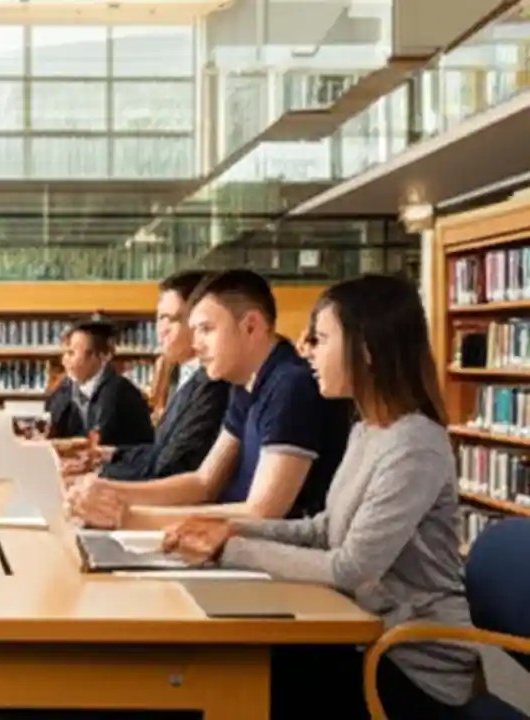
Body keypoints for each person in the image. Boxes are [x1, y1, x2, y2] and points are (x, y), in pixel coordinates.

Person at [163, 275, 477, 719]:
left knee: (241, 680)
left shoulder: (415, 445)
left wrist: (229, 549)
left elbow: (350, 568)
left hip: (410, 665)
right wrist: (229, 528)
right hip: (367, 635)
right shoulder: (367, 430)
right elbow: (324, 529)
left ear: (366, 350)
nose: (306, 350)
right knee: (225, 670)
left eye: (320, 339)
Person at [67, 269, 351, 530]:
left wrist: (126, 517)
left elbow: (263, 512)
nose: (196, 344)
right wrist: (109, 491)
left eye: (206, 329)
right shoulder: (245, 384)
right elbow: (204, 482)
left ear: (250, 326)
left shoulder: (291, 385)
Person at [87, 270, 231, 481]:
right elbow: (161, 449)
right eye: (159, 318)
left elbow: (176, 464)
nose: (162, 330)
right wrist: (110, 455)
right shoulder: (181, 373)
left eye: (170, 319)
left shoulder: (215, 381)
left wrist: (99, 476)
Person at [44, 320, 154, 447]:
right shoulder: (62, 391)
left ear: (100, 357)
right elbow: (50, 430)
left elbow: (100, 441)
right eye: (65, 354)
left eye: (71, 353)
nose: (64, 360)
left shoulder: (120, 393)